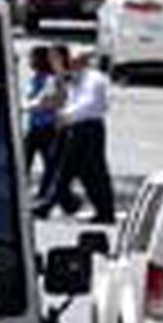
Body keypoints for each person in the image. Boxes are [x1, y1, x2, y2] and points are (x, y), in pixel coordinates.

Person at [37, 47, 116, 223]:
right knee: (86, 171)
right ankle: (103, 211)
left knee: (77, 169)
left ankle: (48, 205)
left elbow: (90, 104)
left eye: (75, 61)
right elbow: (65, 95)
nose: (71, 64)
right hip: (76, 127)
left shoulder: (94, 79)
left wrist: (67, 115)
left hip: (88, 129)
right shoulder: (76, 78)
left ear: (84, 62)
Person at [21, 46, 66, 203]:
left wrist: (26, 106)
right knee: (23, 161)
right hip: (34, 127)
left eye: (32, 58)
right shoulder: (35, 78)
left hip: (47, 128)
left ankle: (52, 195)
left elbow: (47, 101)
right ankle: (22, 191)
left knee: (51, 165)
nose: (30, 61)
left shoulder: (50, 79)